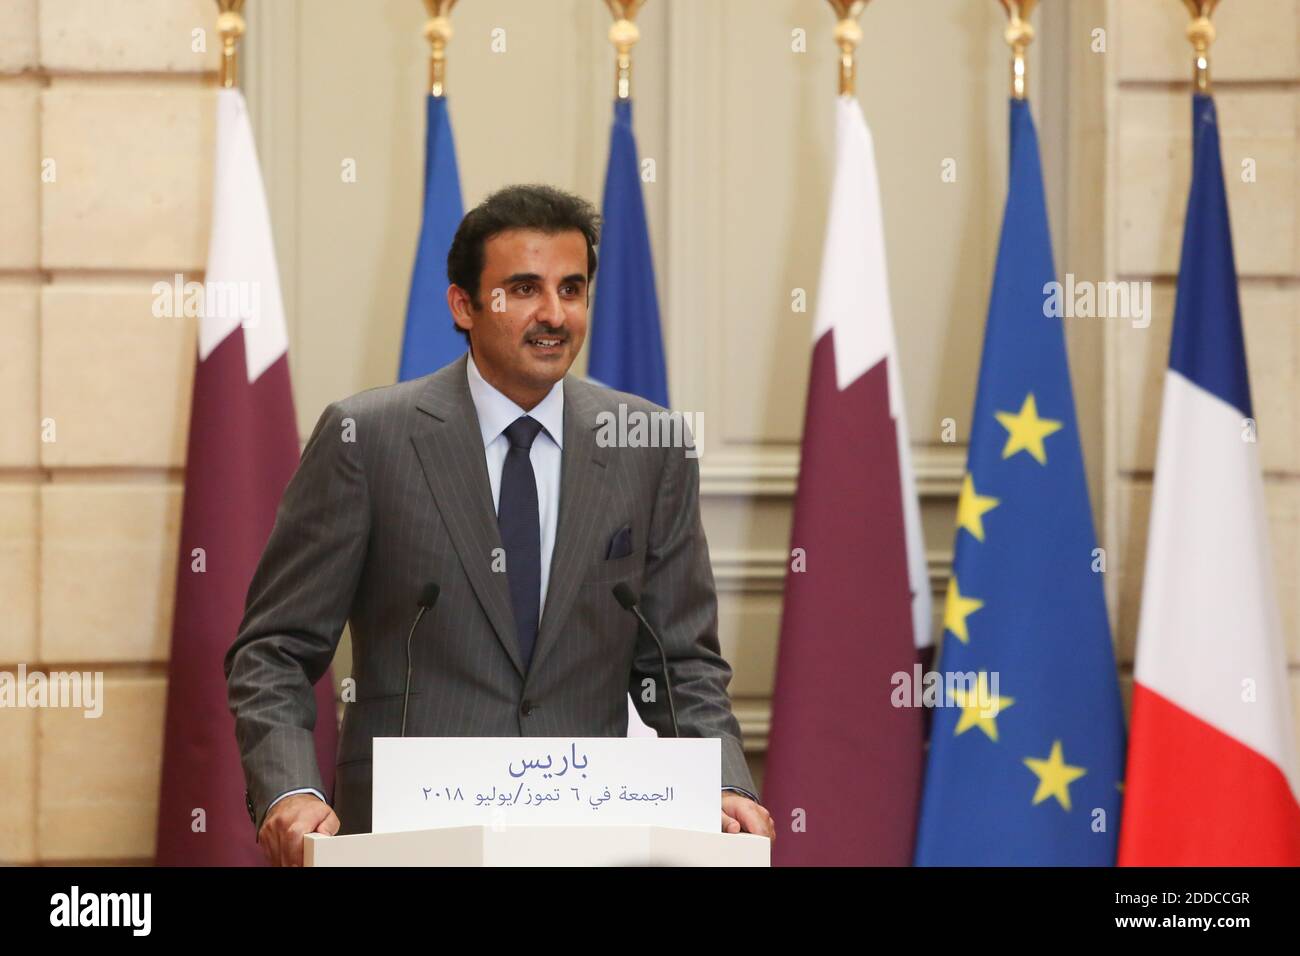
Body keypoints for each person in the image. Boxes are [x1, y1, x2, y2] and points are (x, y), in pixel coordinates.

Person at [225, 183, 774, 866]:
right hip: (409, 838)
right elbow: (273, 649)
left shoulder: (645, 442)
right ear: (464, 304)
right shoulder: (367, 439)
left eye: (571, 290)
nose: (553, 314)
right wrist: (289, 790)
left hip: (591, 838)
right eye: (523, 289)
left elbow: (681, 662)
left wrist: (719, 781)